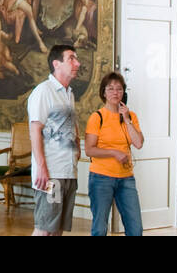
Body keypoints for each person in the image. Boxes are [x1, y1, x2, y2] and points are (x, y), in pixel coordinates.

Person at [27, 44, 81, 236]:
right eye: (71, 58)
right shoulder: (44, 91)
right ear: (56, 64)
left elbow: (71, 124)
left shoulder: (69, 93)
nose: (77, 63)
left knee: (58, 230)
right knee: (45, 228)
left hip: (68, 172)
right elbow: (35, 130)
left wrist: (78, 145)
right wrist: (42, 168)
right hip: (52, 175)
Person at [84, 71, 145, 236]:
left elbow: (138, 143)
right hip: (101, 178)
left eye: (119, 89)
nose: (115, 92)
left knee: (135, 228)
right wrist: (113, 153)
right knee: (100, 228)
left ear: (123, 93)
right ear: (103, 93)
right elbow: (89, 149)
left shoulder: (130, 116)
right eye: (110, 89)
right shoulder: (97, 117)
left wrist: (127, 119)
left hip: (126, 178)